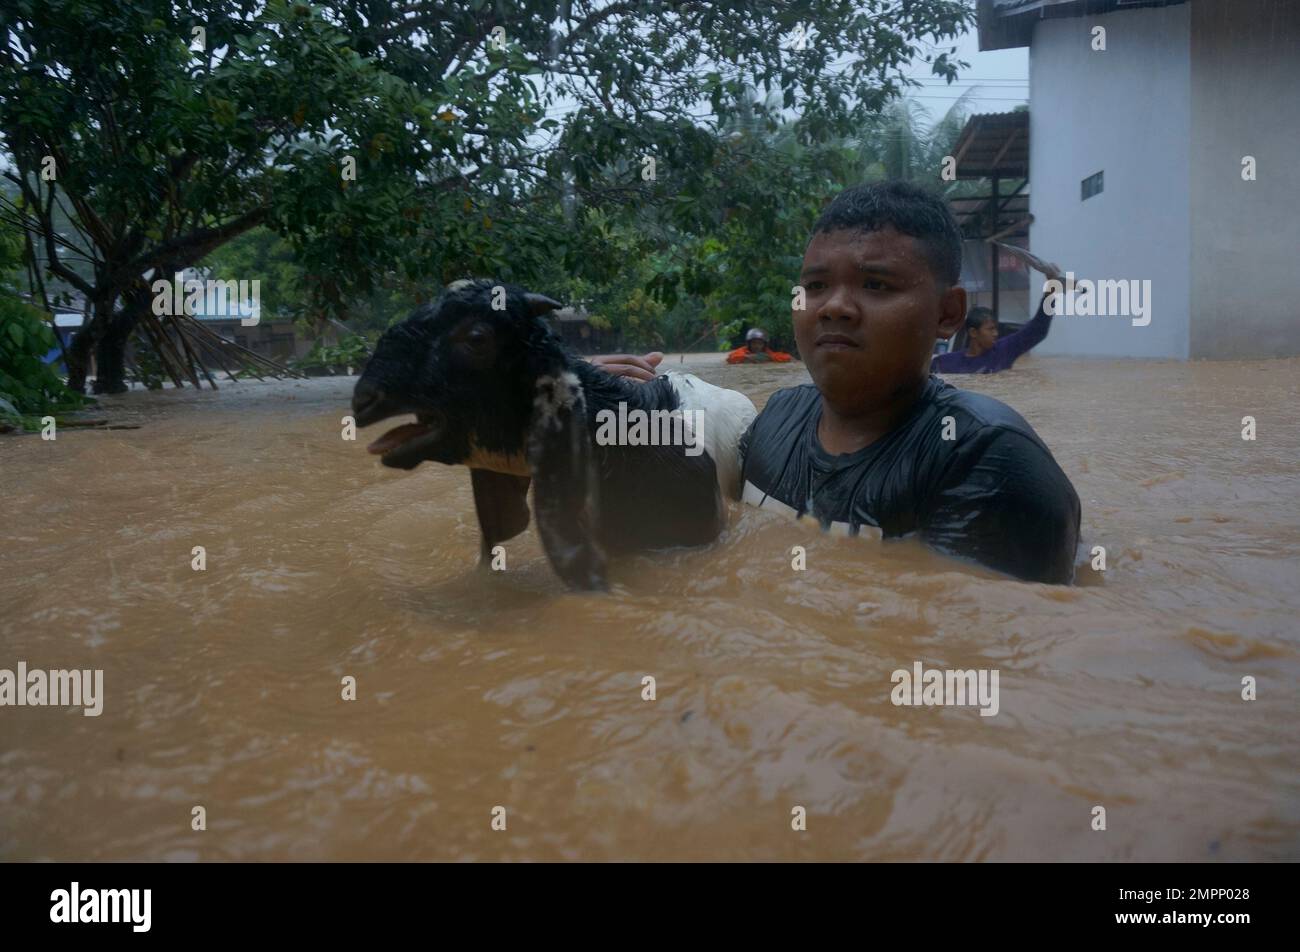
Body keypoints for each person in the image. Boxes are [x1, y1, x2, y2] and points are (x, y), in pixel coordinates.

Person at [594, 181, 1080, 584]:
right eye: (815, 286)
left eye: (876, 285)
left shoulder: (989, 463)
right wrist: (596, 408)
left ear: (948, 313)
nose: (833, 307)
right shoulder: (775, 419)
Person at [931, 273, 1058, 374]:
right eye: (990, 329)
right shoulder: (944, 363)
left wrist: (1050, 292)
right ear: (973, 332)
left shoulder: (1003, 351)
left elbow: (1038, 329)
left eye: (995, 329)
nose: (996, 333)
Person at [726, 328, 794, 364]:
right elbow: (730, 358)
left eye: (760, 343)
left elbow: (787, 357)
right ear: (749, 344)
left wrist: (769, 358)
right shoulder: (743, 351)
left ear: (764, 345)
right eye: (754, 343)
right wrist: (747, 357)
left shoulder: (767, 353)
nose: (757, 346)